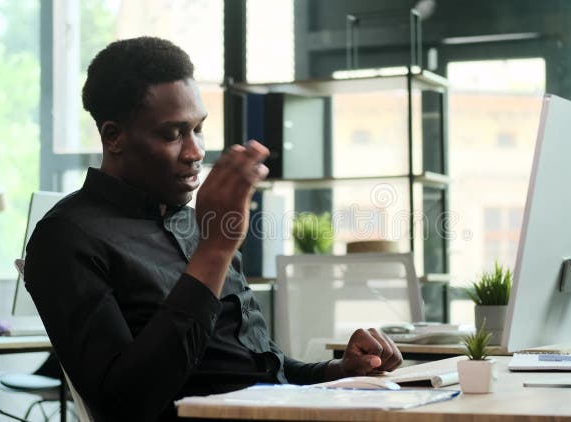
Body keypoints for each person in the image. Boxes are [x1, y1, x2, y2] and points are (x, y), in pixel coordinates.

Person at [24, 36, 402, 422]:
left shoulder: (197, 224)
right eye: (173, 134)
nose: (196, 152)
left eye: (198, 129)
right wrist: (215, 250)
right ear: (113, 137)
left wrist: (339, 371)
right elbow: (125, 404)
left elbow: (260, 368)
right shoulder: (66, 238)